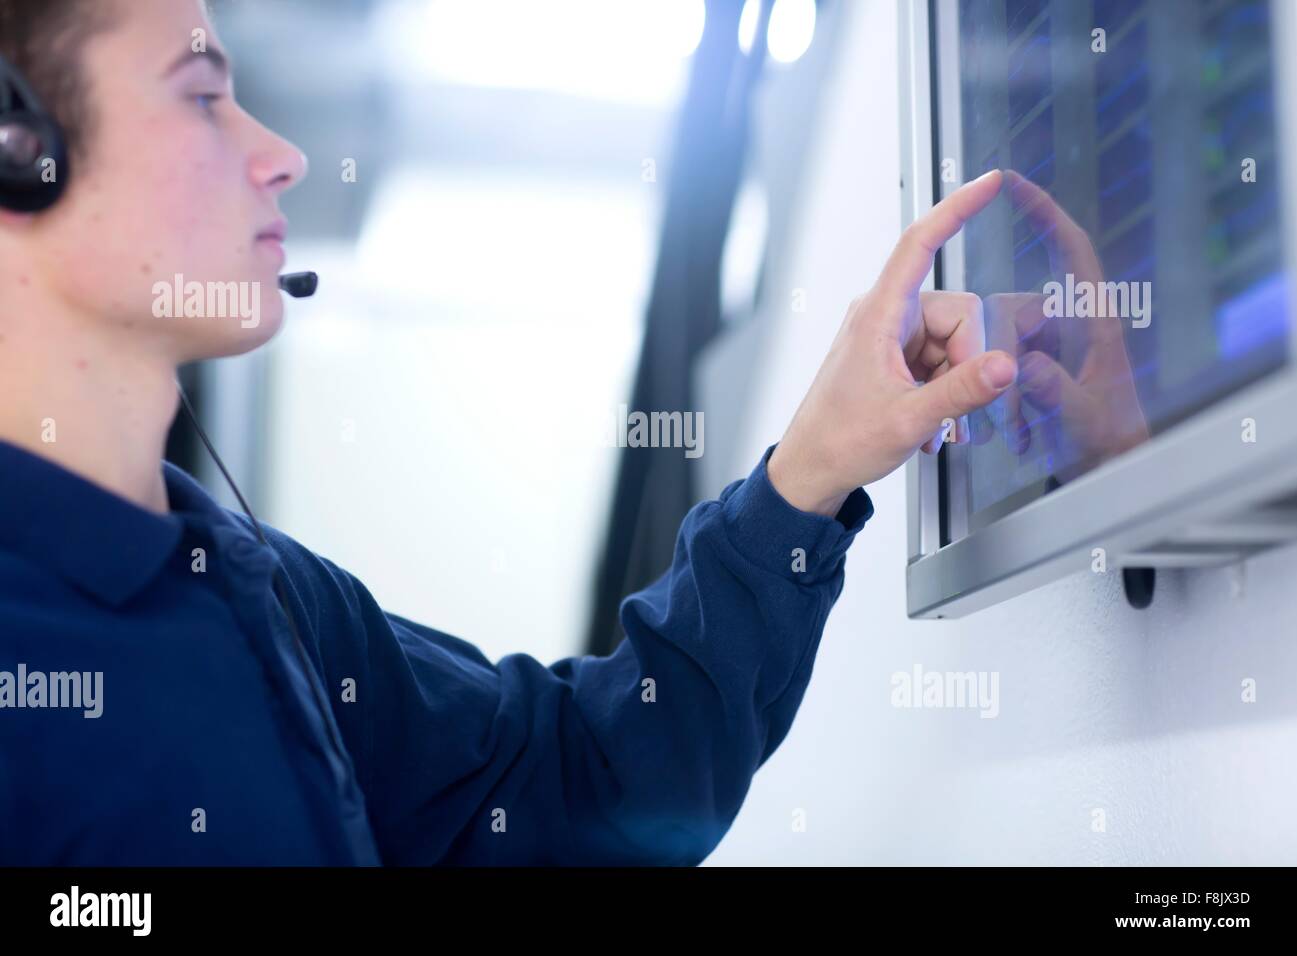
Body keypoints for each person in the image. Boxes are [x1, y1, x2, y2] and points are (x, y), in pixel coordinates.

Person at [0, 0, 1016, 864]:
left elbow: (585, 781)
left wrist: (808, 473)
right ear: (17, 148)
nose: (280, 154)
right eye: (202, 94)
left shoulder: (260, 593)